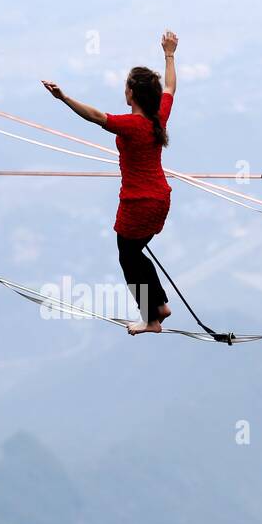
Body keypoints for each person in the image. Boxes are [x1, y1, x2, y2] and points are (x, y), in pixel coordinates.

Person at [42, 31, 178, 333]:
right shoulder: (159, 117)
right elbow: (170, 86)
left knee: (128, 257)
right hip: (160, 199)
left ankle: (152, 319)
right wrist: (170, 54)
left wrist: (63, 98)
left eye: (127, 87)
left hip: (139, 202)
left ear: (132, 94)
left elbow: (94, 116)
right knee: (135, 253)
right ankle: (159, 306)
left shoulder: (132, 125)